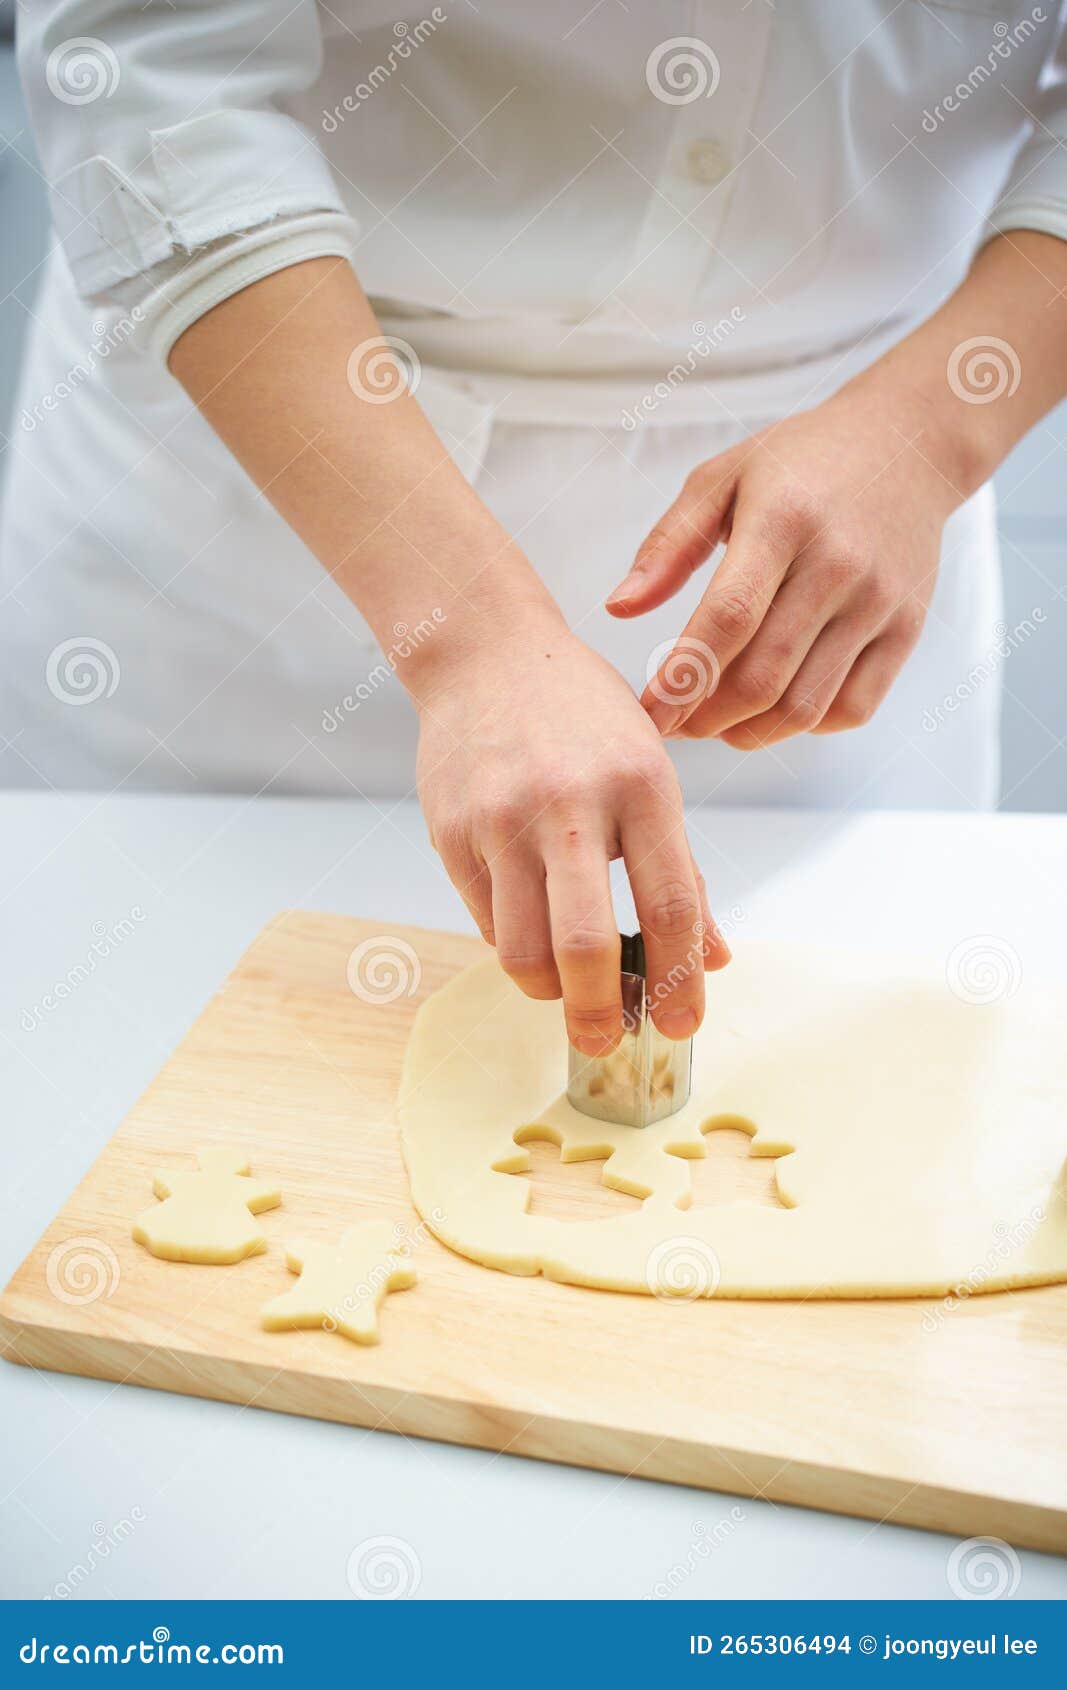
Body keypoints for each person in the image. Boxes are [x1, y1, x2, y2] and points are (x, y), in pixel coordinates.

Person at [5, 3, 1067, 1058]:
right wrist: (464, 632)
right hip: (259, 487)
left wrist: (925, 437)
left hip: (849, 488)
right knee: (129, 1049)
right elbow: (146, 67)